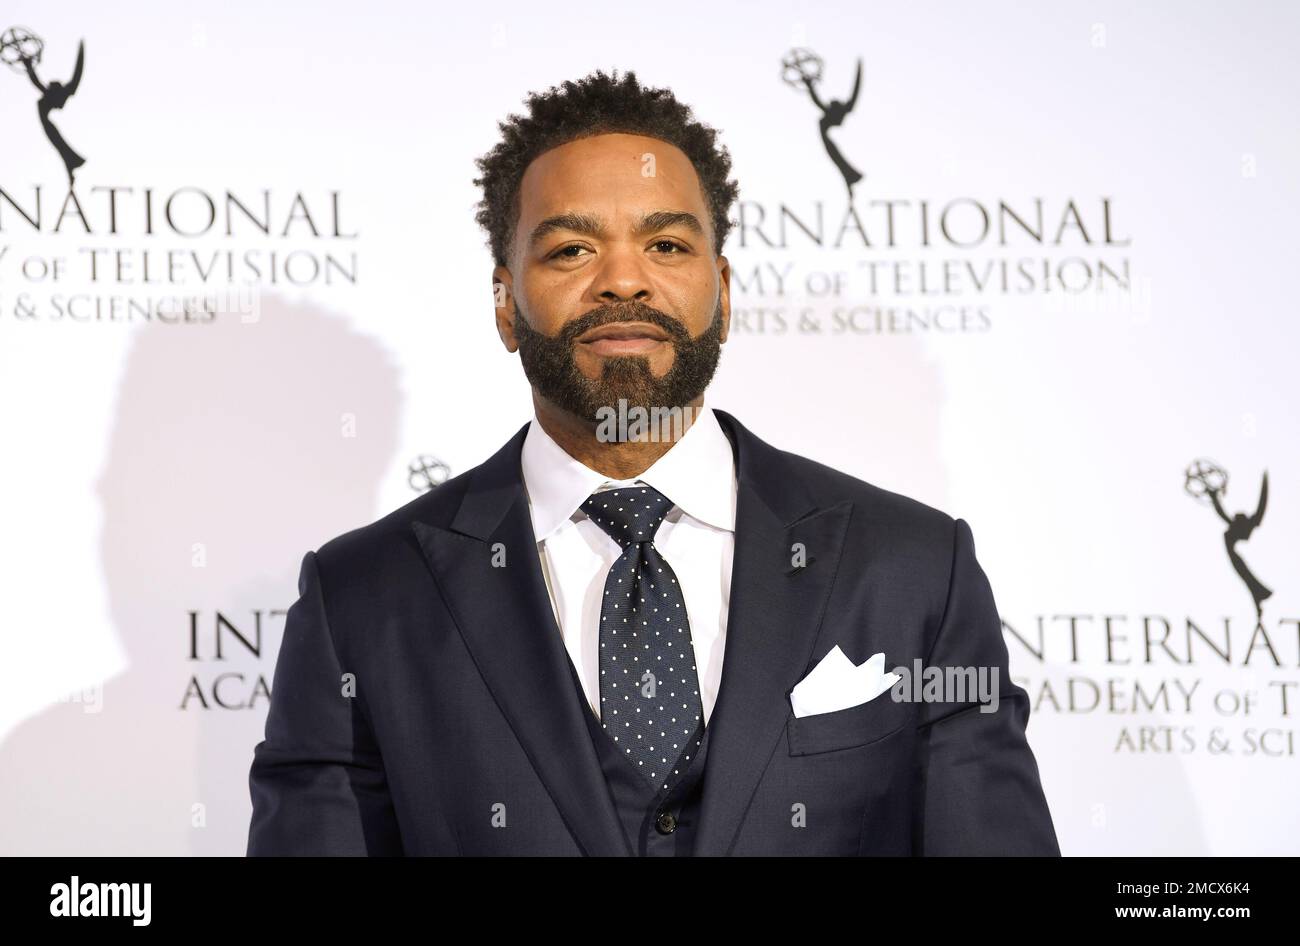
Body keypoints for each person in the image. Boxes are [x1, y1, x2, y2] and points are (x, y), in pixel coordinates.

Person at [246, 69, 1059, 856]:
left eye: (667, 243)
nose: (623, 280)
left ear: (724, 291)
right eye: (569, 251)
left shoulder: (912, 571)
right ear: (505, 302)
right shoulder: (361, 600)